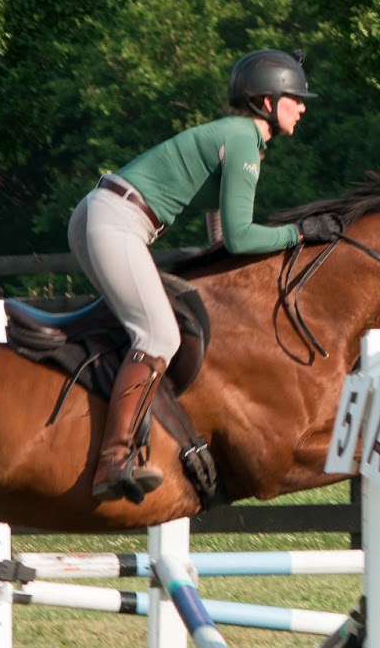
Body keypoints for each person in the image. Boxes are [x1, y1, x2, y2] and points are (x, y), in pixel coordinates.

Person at [68, 48, 345, 504]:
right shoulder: (243, 139)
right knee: (157, 336)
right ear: (268, 103)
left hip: (106, 214)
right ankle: (114, 459)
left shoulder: (235, 135)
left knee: (151, 329)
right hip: (117, 221)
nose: (304, 106)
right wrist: (302, 233)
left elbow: (220, 229)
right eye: (296, 97)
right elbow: (240, 237)